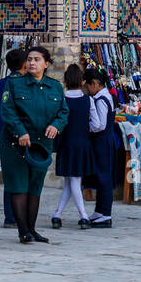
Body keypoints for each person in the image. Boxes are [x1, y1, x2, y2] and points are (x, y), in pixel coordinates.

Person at [0, 46, 68, 244]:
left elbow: (63, 112)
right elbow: (8, 110)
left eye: (37, 59)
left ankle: (32, 229)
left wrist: (56, 126)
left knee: (35, 187)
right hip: (16, 143)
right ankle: (23, 231)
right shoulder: (14, 84)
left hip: (41, 145)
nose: (31, 63)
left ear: (46, 64)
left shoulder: (55, 87)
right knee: (19, 185)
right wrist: (20, 131)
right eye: (29, 59)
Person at [0, 47, 28, 228]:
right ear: (24, 64)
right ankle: (20, 215)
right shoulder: (27, 83)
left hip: (4, 135)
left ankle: (10, 216)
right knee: (23, 177)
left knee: (9, 176)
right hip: (24, 135)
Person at [51, 64, 92, 229]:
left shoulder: (61, 101)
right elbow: (96, 124)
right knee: (75, 180)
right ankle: (84, 216)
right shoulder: (88, 100)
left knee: (70, 181)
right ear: (82, 81)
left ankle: (57, 214)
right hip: (82, 143)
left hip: (66, 144)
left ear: (65, 81)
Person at [84, 66, 118, 227]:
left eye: (88, 86)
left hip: (101, 141)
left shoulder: (101, 100)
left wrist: (86, 126)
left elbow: (100, 125)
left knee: (104, 176)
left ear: (95, 83)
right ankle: (99, 210)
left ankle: (106, 213)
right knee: (101, 175)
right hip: (105, 140)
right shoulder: (106, 96)